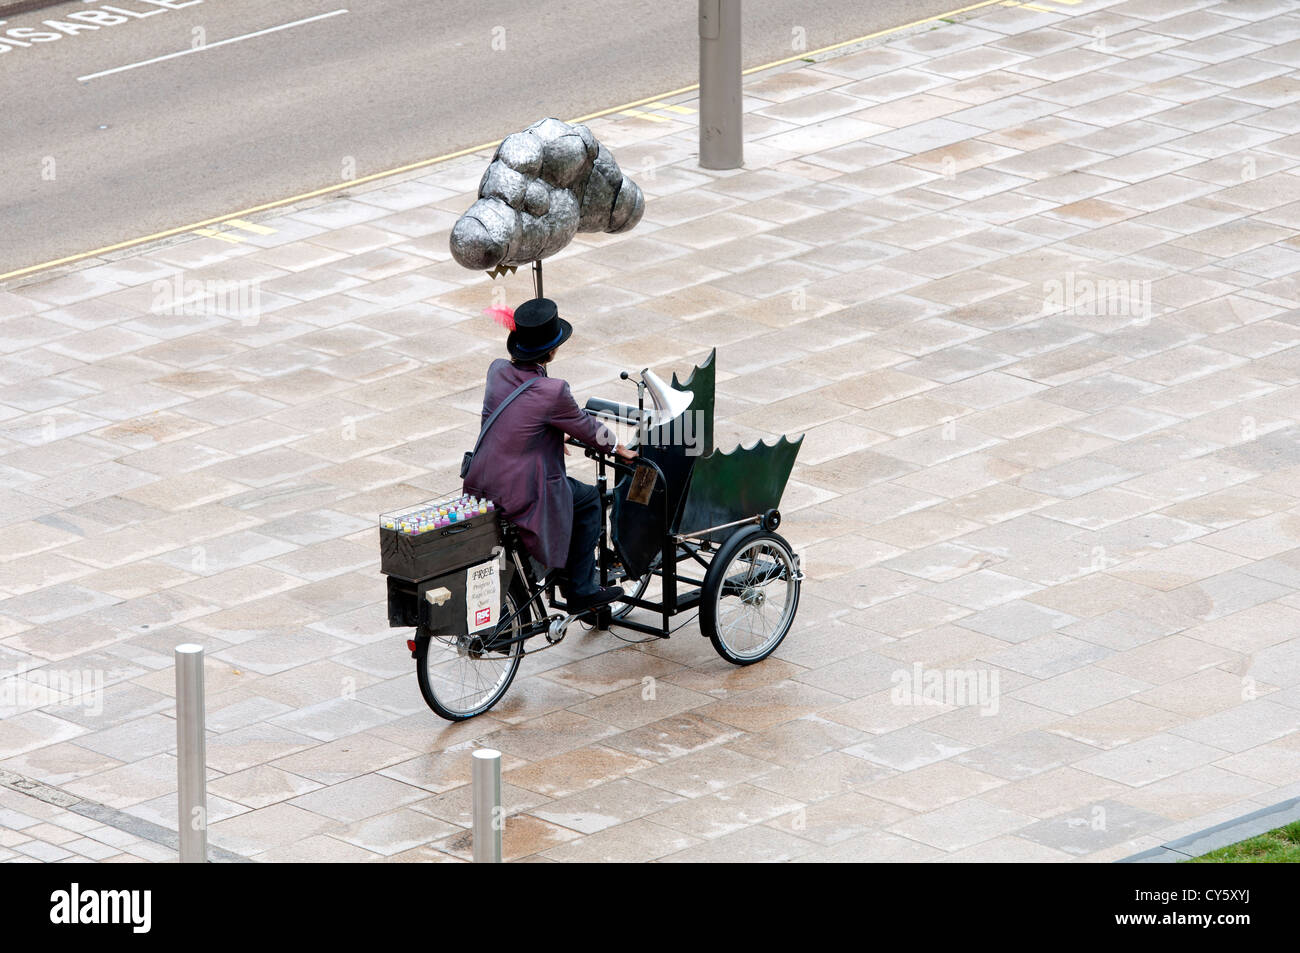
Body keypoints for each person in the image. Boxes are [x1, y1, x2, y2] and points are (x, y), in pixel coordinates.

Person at [462, 297, 637, 611]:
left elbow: (517, 419)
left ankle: (558, 570)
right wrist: (617, 447)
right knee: (587, 500)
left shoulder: (497, 370)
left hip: (481, 482)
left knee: (568, 493)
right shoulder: (553, 391)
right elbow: (588, 427)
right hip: (518, 491)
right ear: (552, 351)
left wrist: (551, 434)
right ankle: (581, 589)